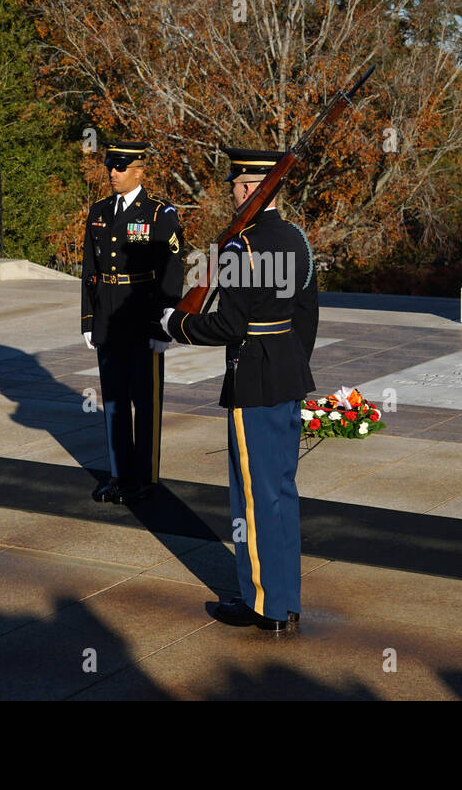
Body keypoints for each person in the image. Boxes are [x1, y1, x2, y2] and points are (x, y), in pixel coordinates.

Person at [159, 147, 318, 632]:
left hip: (251, 380)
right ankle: (285, 600)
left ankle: (263, 607)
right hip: (287, 376)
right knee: (282, 492)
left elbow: (228, 325)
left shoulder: (239, 247)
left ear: (250, 187)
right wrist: (292, 365)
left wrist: (175, 323)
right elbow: (307, 316)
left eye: (234, 185)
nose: (231, 192)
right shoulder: (297, 239)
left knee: (253, 498)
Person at [81, 141, 185, 504]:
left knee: (145, 401)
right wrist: (88, 319)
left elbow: (172, 272)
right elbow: (90, 270)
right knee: (113, 401)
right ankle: (118, 474)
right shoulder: (99, 211)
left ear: (140, 171)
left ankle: (144, 478)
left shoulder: (159, 213)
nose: (113, 173)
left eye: (121, 167)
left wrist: (163, 327)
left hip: (142, 318)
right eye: (110, 165)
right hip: (108, 317)